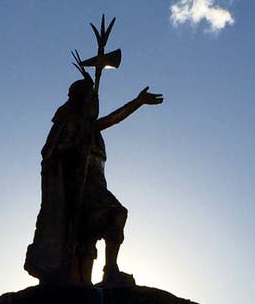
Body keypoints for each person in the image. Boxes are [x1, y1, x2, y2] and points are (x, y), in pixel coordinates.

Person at [24, 71, 162, 286]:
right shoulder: (72, 124)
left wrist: (138, 102)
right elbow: (51, 152)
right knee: (97, 226)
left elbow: (111, 119)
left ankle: (110, 270)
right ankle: (87, 279)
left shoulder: (90, 127)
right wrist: (77, 142)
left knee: (110, 220)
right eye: (91, 97)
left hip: (96, 183)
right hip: (77, 185)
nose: (94, 102)